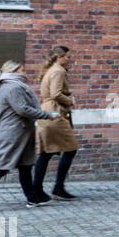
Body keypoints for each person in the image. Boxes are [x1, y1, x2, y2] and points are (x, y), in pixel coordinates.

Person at [0, 61, 60, 213]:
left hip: (17, 134)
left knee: (25, 167)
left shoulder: (4, 87)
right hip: (14, 134)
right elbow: (22, 110)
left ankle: (32, 198)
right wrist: (47, 115)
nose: (25, 72)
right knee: (2, 168)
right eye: (23, 69)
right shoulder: (14, 87)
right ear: (15, 71)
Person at [35, 45, 81, 200]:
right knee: (70, 148)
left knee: (46, 153)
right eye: (67, 56)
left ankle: (39, 189)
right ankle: (57, 188)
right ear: (59, 57)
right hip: (56, 113)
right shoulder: (58, 71)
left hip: (48, 112)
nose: (69, 59)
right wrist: (70, 100)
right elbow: (56, 94)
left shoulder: (51, 70)